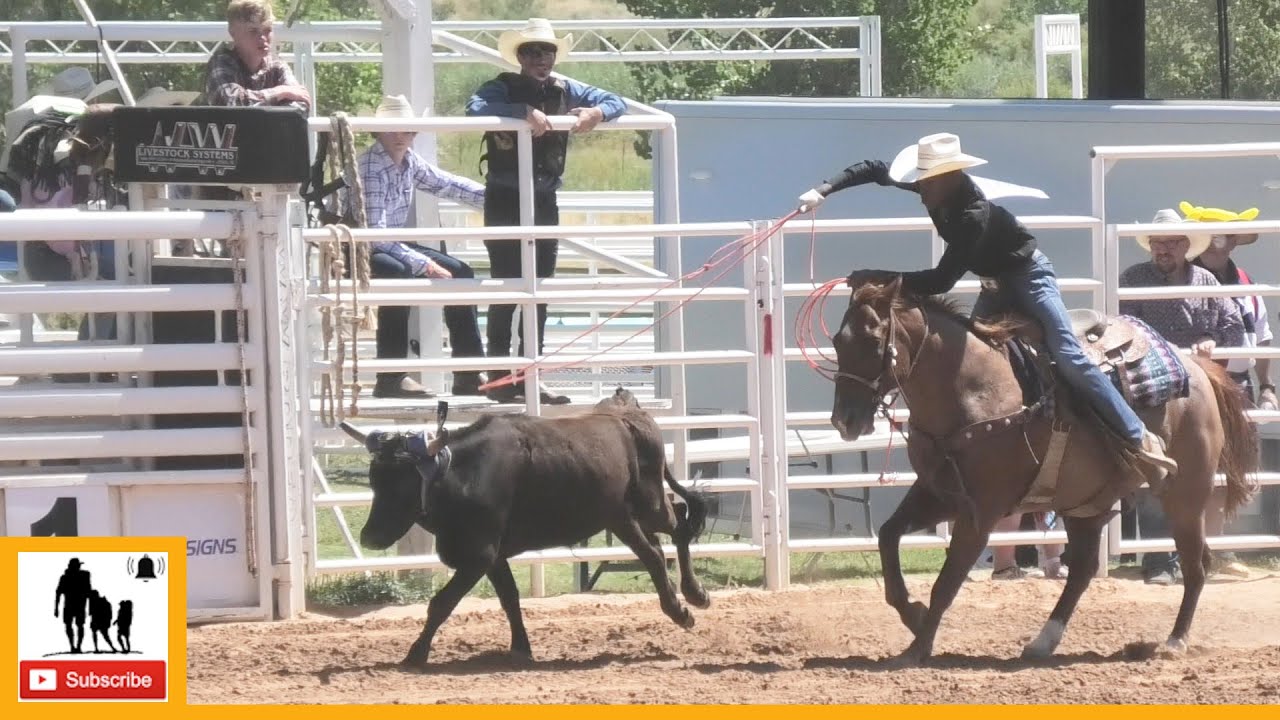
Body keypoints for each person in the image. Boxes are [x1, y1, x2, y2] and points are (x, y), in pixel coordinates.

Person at [796, 132, 1179, 483]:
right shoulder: (936, 188)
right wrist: (822, 190)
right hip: (994, 283)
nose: (920, 190)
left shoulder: (972, 215)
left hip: (1029, 277)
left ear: (947, 178)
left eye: (926, 182)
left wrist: (879, 275)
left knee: (1068, 354)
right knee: (970, 363)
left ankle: (1138, 437)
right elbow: (874, 169)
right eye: (920, 180)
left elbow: (941, 281)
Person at [465, 18, 628, 405]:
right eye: (532, 51)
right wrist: (522, 110)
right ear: (520, 57)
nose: (541, 58)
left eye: (547, 51)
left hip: (542, 199)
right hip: (506, 198)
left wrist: (597, 113)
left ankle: (530, 377)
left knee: (539, 289)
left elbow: (616, 101)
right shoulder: (501, 87)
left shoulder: (566, 89)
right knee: (507, 287)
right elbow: (476, 107)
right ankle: (500, 379)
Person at [1119, 208, 1248, 584]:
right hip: (1154, 383)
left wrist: (1211, 341)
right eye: (1158, 242)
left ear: (1186, 245)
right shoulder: (1133, 279)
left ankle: (1193, 552)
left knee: (1199, 468)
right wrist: (1168, 349)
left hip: (1199, 385)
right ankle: (1160, 559)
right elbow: (1125, 328)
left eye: (1172, 242)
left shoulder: (1206, 280)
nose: (1164, 249)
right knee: (1155, 465)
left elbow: (1233, 327)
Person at [356, 95, 488, 399]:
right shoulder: (372, 167)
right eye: (393, 130)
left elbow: (446, 183)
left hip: (386, 242)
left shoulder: (408, 161)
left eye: (408, 130)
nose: (401, 136)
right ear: (379, 131)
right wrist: (425, 264)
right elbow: (374, 234)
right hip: (361, 247)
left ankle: (468, 372)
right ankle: (391, 376)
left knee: (460, 273)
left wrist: (493, 197)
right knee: (397, 274)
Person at [203, 0, 311, 111]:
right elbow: (229, 103)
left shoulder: (277, 65)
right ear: (233, 33)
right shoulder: (222, 62)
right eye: (253, 31)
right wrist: (280, 92)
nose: (263, 38)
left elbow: (301, 104)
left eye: (268, 30)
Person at [54, 558, 92, 654]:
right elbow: (58, 592)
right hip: (74, 605)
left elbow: (88, 591)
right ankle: (74, 646)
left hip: (77, 605)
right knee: (73, 625)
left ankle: (76, 646)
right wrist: (56, 608)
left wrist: (56, 608)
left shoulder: (84, 575)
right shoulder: (68, 577)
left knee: (77, 625)